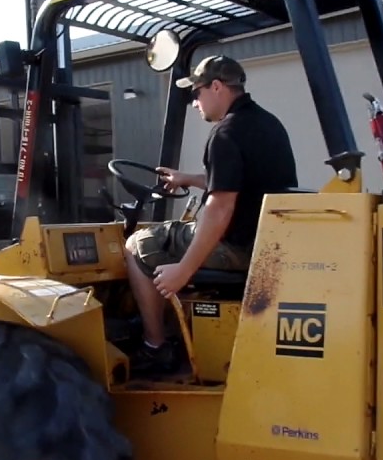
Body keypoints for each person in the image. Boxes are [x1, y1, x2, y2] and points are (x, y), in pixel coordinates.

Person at [122, 54, 298, 374]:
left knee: (137, 244)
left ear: (216, 87)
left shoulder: (225, 133)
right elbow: (241, 183)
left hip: (236, 248)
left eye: (197, 93)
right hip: (266, 244)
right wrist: (186, 179)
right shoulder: (268, 124)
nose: (194, 103)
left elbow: (220, 207)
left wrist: (183, 270)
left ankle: (155, 345)